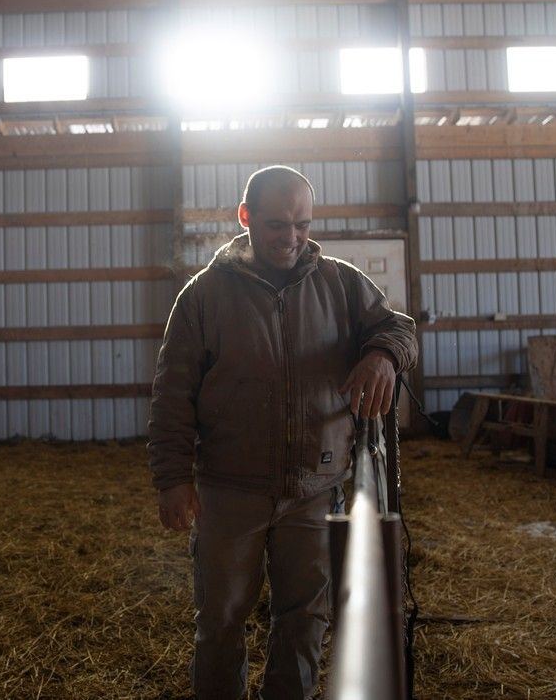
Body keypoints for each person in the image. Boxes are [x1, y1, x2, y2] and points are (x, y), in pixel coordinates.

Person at [148, 165, 417, 700]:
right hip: (230, 491)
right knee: (221, 621)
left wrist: (385, 355)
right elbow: (172, 393)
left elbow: (398, 326)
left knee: (305, 620)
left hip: (315, 491)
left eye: (302, 224)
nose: (291, 237)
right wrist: (172, 478)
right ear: (244, 217)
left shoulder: (340, 283)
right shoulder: (203, 298)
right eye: (276, 224)